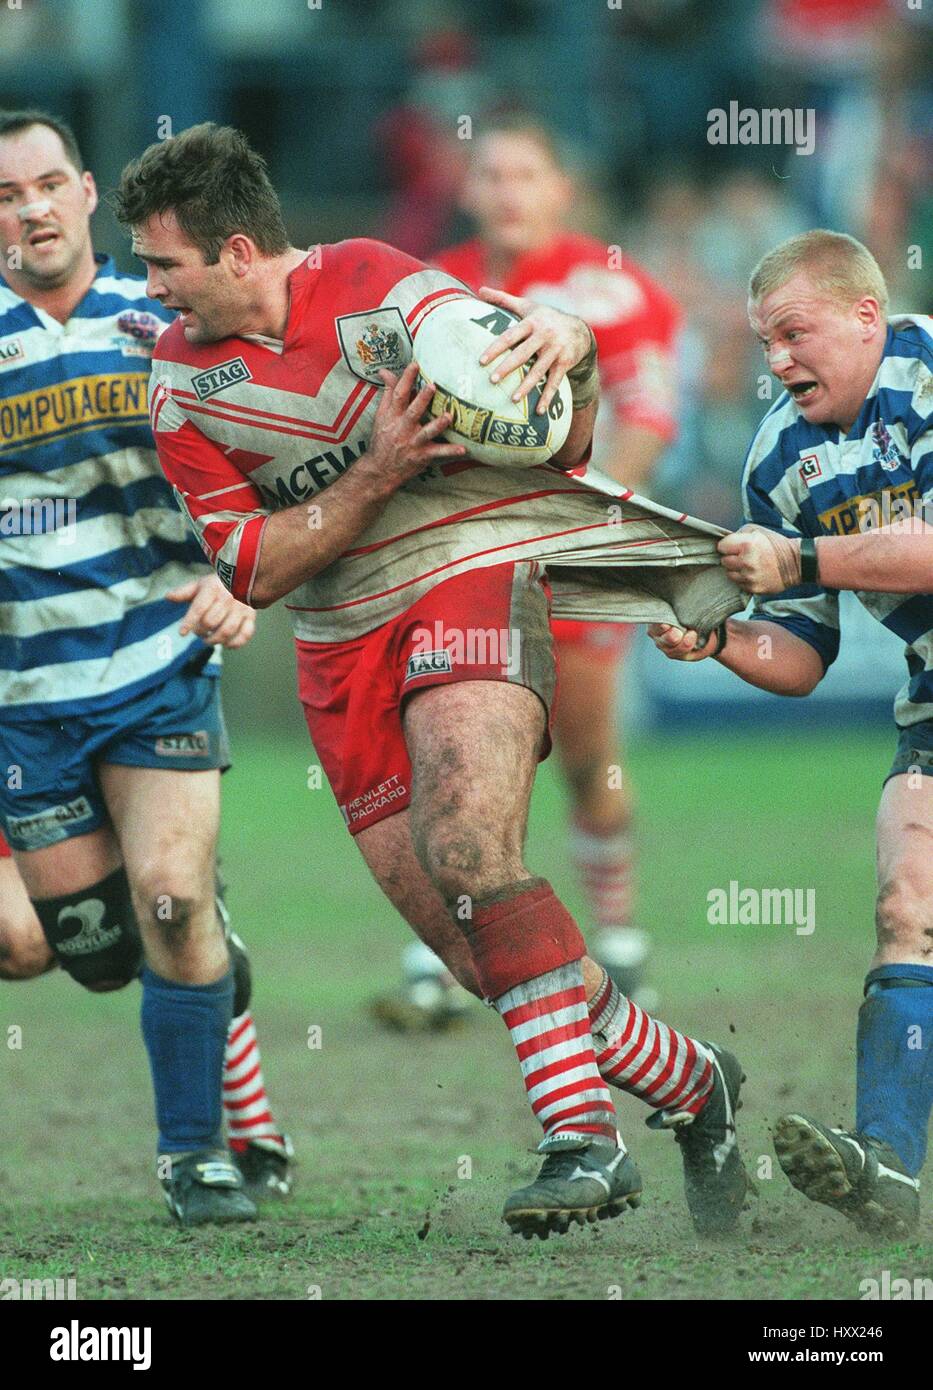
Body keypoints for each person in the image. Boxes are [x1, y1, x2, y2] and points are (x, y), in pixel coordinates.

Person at [115, 121, 749, 1240]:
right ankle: (699, 1087)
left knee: (471, 852)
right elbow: (252, 566)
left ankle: (581, 1139)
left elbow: (552, 425)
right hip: (337, 640)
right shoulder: (179, 385)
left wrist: (563, 348)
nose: (149, 285)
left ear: (242, 251)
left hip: (468, 570)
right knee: (473, 949)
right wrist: (367, 478)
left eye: (166, 263)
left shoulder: (379, 283)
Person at [0, 109, 291, 1225]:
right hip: (28, 700)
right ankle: (217, 962)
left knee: (170, 897)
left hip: (157, 661)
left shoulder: (165, 314)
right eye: (6, 193)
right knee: (91, 952)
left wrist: (244, 572)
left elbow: (276, 446)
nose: (29, 207)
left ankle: (191, 1157)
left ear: (84, 195)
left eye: (47, 183)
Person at [649, 228, 932, 1237]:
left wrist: (803, 561)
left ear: (869, 316)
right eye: (764, 342)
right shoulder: (781, 452)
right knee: (907, 903)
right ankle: (889, 1167)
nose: (776, 362)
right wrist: (721, 636)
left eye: (795, 334)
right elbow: (803, 658)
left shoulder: (930, 371)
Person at [426, 117, 681, 1015]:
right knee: (459, 755)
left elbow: (649, 415)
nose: (507, 190)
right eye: (491, 172)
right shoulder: (437, 291)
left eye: (525, 172)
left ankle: (616, 936)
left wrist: (587, 511)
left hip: (577, 558)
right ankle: (453, 948)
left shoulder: (610, 289)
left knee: (586, 756)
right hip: (468, 562)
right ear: (468, 188)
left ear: (560, 188)